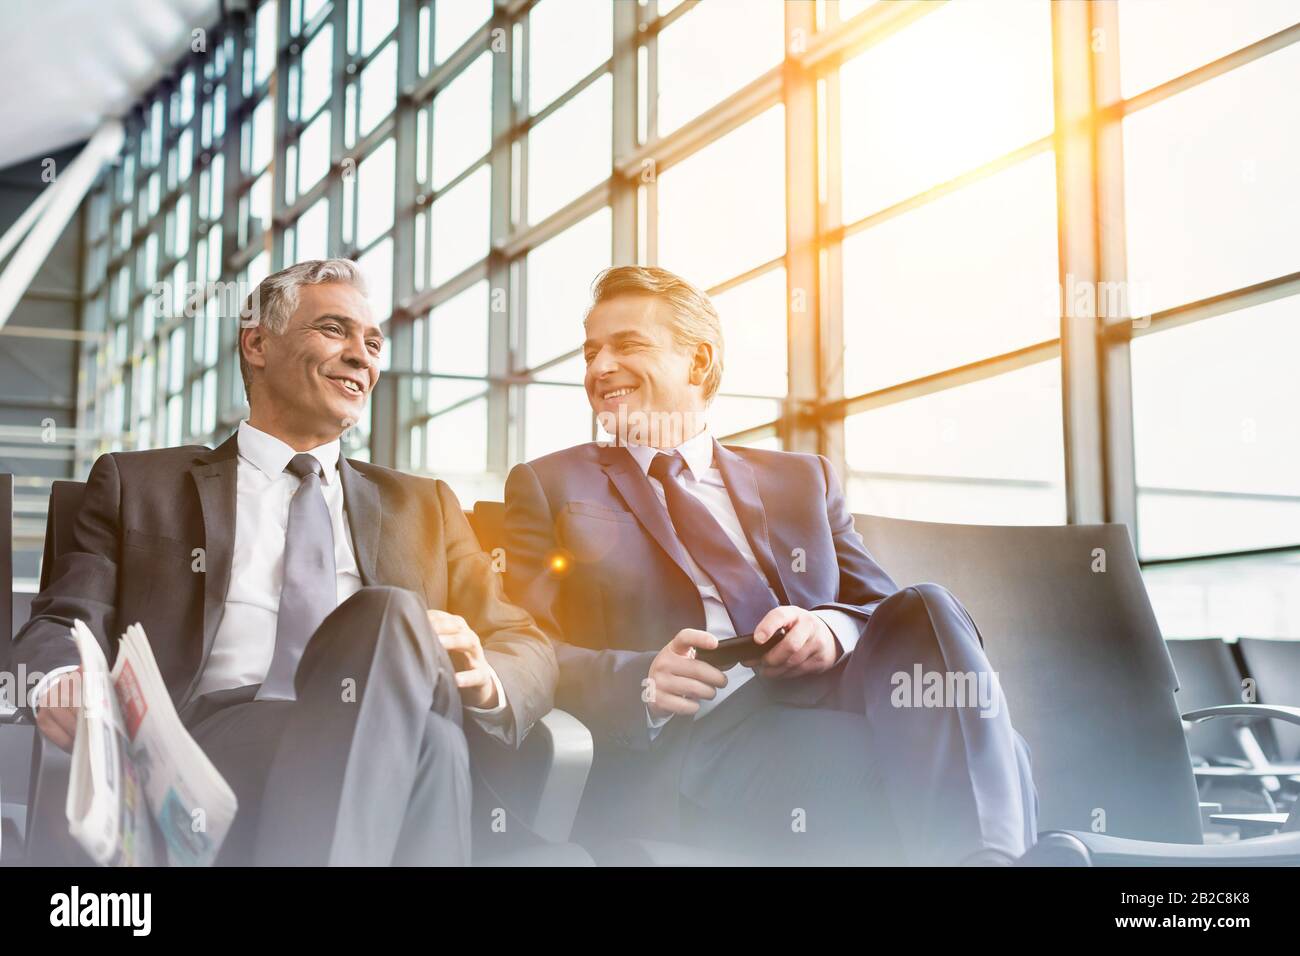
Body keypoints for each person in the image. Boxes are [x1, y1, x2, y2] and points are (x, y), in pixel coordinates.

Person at [14, 258, 556, 866]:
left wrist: (487, 678)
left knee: (413, 686)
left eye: (373, 343)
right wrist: (62, 682)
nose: (362, 355)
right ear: (257, 343)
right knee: (424, 713)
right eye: (335, 330)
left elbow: (523, 640)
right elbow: (63, 623)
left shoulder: (424, 506)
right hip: (209, 746)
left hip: (393, 733)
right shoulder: (137, 484)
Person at [502, 265, 1038, 865]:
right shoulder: (550, 484)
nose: (599, 369)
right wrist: (644, 679)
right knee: (998, 758)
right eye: (591, 352)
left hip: (831, 697)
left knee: (927, 605)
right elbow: (526, 649)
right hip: (703, 736)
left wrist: (830, 632)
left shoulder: (801, 480)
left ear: (698, 364)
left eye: (626, 345)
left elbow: (882, 612)